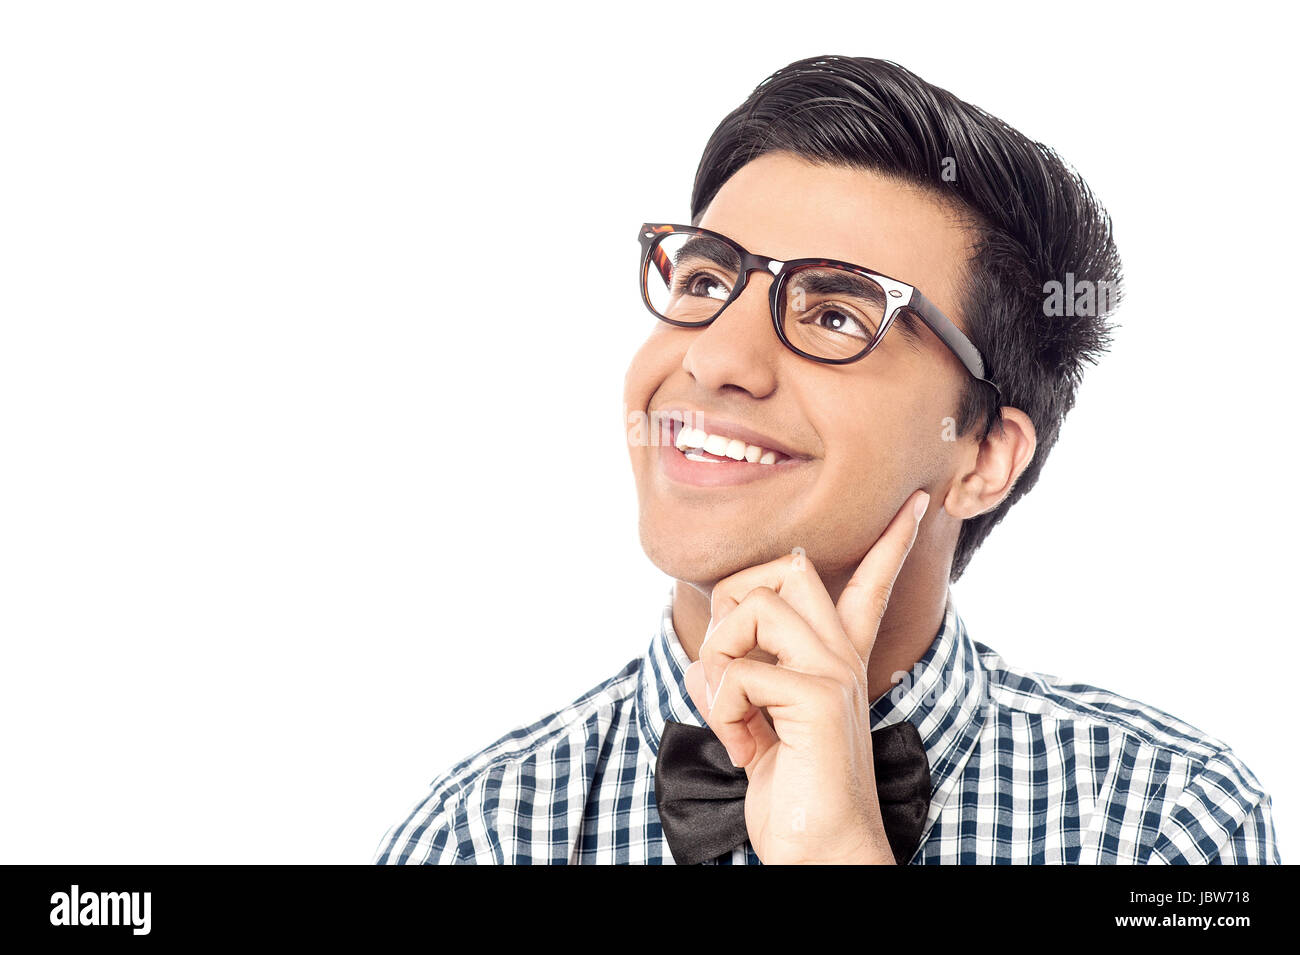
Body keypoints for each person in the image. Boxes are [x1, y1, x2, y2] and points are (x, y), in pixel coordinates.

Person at [371, 55, 1280, 865]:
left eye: (836, 315)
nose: (715, 357)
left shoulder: (1172, 822)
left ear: (984, 454)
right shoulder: (471, 836)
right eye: (704, 280)